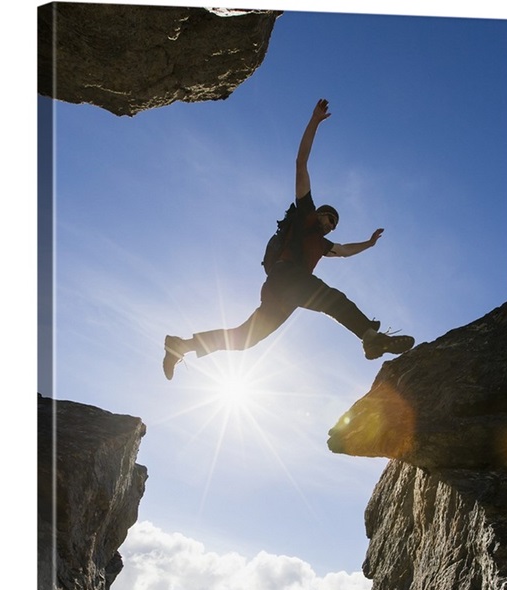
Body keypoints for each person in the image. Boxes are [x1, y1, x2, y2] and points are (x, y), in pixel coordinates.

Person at [163, 98, 414, 380]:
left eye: (333, 223)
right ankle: (370, 337)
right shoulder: (305, 214)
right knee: (331, 299)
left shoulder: (322, 243)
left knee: (245, 338)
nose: (329, 223)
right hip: (286, 276)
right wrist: (314, 122)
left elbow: (344, 250)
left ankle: (181, 345)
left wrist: (368, 244)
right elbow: (301, 163)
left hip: (282, 296)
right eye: (327, 216)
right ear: (318, 213)